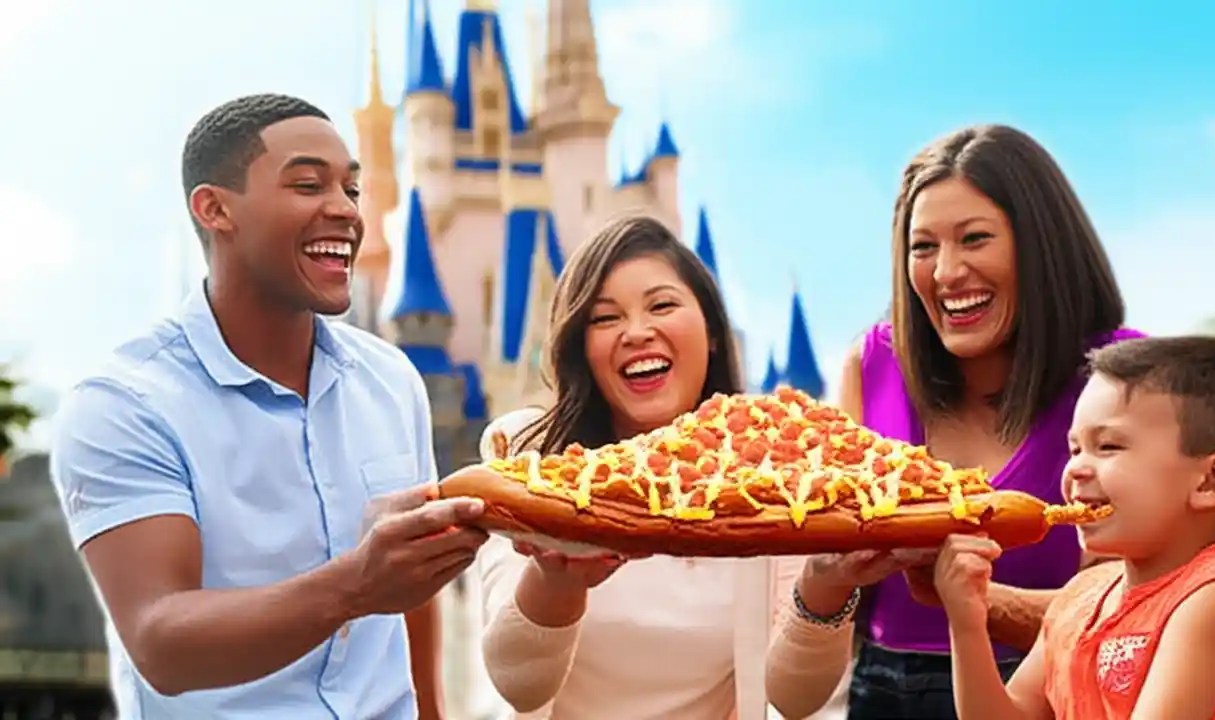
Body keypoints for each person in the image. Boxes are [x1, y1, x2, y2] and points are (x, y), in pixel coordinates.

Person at [47, 93, 485, 719]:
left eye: (352, 190)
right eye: (307, 184)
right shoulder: (124, 405)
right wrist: (358, 582)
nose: (344, 210)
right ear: (215, 208)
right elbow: (161, 641)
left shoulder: (391, 379)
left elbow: (413, 586)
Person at [765, 123, 1145, 719]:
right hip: (884, 689)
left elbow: (1138, 609)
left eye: (975, 239)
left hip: (1053, 692)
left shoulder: (1121, 376)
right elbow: (806, 656)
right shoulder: (872, 366)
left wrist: (977, 604)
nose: (946, 273)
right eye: (923, 247)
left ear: (1039, 243)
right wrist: (830, 576)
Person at [471, 214, 885, 720]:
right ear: (580, 346)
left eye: (662, 305)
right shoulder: (527, 454)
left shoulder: (775, 479)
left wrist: (827, 585)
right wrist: (558, 580)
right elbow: (518, 684)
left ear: (711, 331)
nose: (637, 332)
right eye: (605, 318)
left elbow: (794, 699)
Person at [935, 335, 1215, 718]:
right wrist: (967, 621)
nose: (1075, 469)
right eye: (1075, 449)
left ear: (1211, 481)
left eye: (1109, 446)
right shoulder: (1083, 595)